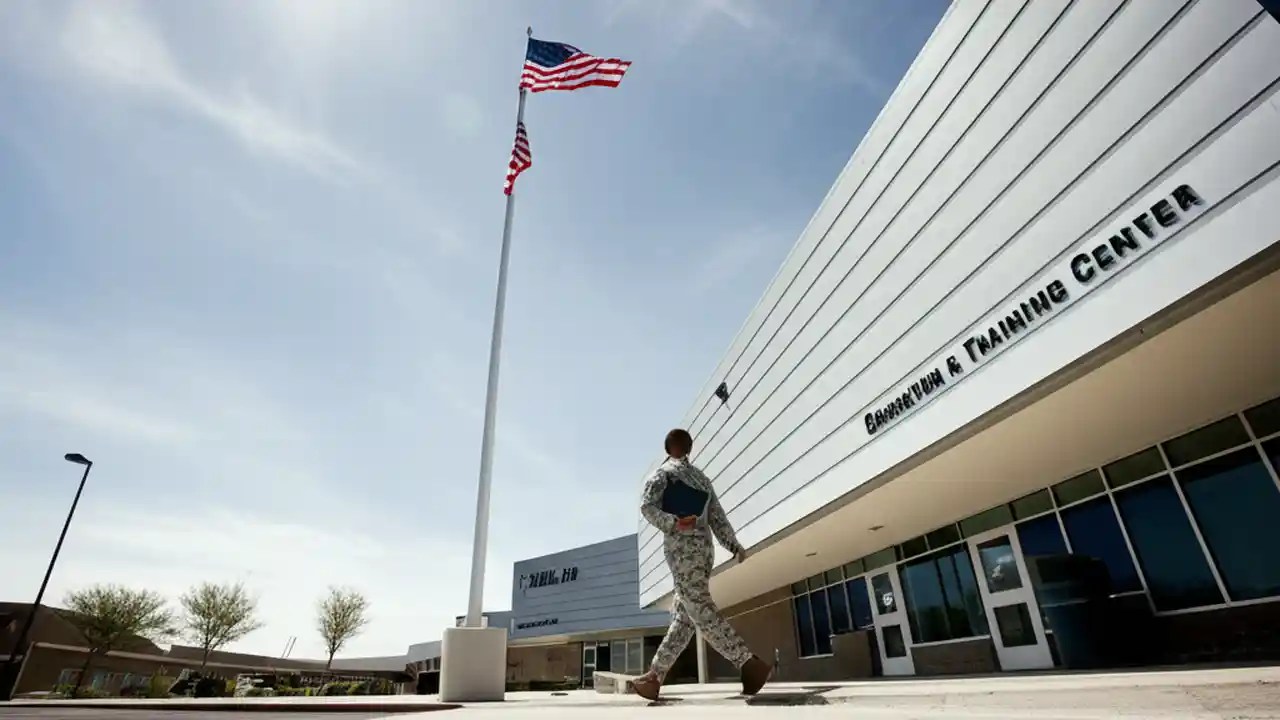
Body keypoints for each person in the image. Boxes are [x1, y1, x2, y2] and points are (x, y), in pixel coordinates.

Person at [632, 428, 771, 701]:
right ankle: (654, 677)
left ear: (667, 447)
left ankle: (747, 662)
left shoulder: (663, 474)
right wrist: (732, 545)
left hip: (683, 551)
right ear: (689, 449)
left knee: (700, 609)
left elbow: (647, 507)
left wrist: (673, 523)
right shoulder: (703, 480)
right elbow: (717, 517)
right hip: (704, 553)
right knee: (684, 618)